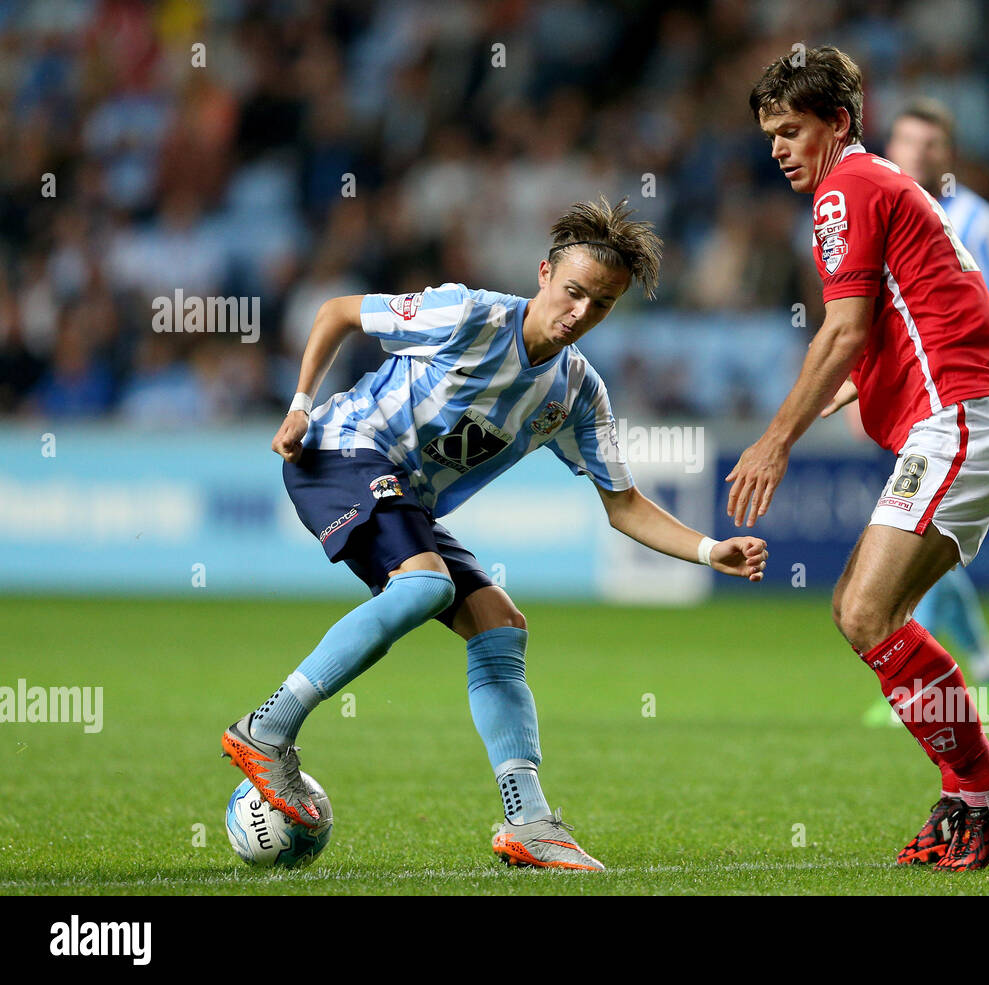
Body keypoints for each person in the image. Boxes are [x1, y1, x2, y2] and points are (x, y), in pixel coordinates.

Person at [222, 196, 768, 871]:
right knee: (425, 582)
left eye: (601, 305)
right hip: (338, 450)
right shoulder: (469, 315)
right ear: (544, 273)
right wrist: (300, 405)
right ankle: (266, 729)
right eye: (573, 292)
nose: (580, 314)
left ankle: (529, 820)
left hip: (407, 498)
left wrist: (713, 549)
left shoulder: (576, 393)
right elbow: (337, 311)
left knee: (500, 627)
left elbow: (623, 505)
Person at [729, 46, 989, 870]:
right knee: (859, 611)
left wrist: (775, 439)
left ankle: (981, 787)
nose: (780, 149)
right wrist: (847, 389)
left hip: (958, 419)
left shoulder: (849, 187)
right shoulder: (883, 189)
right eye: (769, 137)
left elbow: (846, 329)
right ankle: (976, 786)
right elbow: (905, 318)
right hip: (962, 417)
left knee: (867, 613)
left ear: (838, 122)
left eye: (793, 130)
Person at [823, 98, 989, 706]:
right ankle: (961, 670)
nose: (915, 153)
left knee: (895, 572)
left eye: (929, 144)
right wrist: (856, 384)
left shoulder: (978, 220)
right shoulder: (884, 208)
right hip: (916, 408)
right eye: (906, 141)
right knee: (909, 549)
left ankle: (934, 686)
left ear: (948, 152)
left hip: (964, 407)